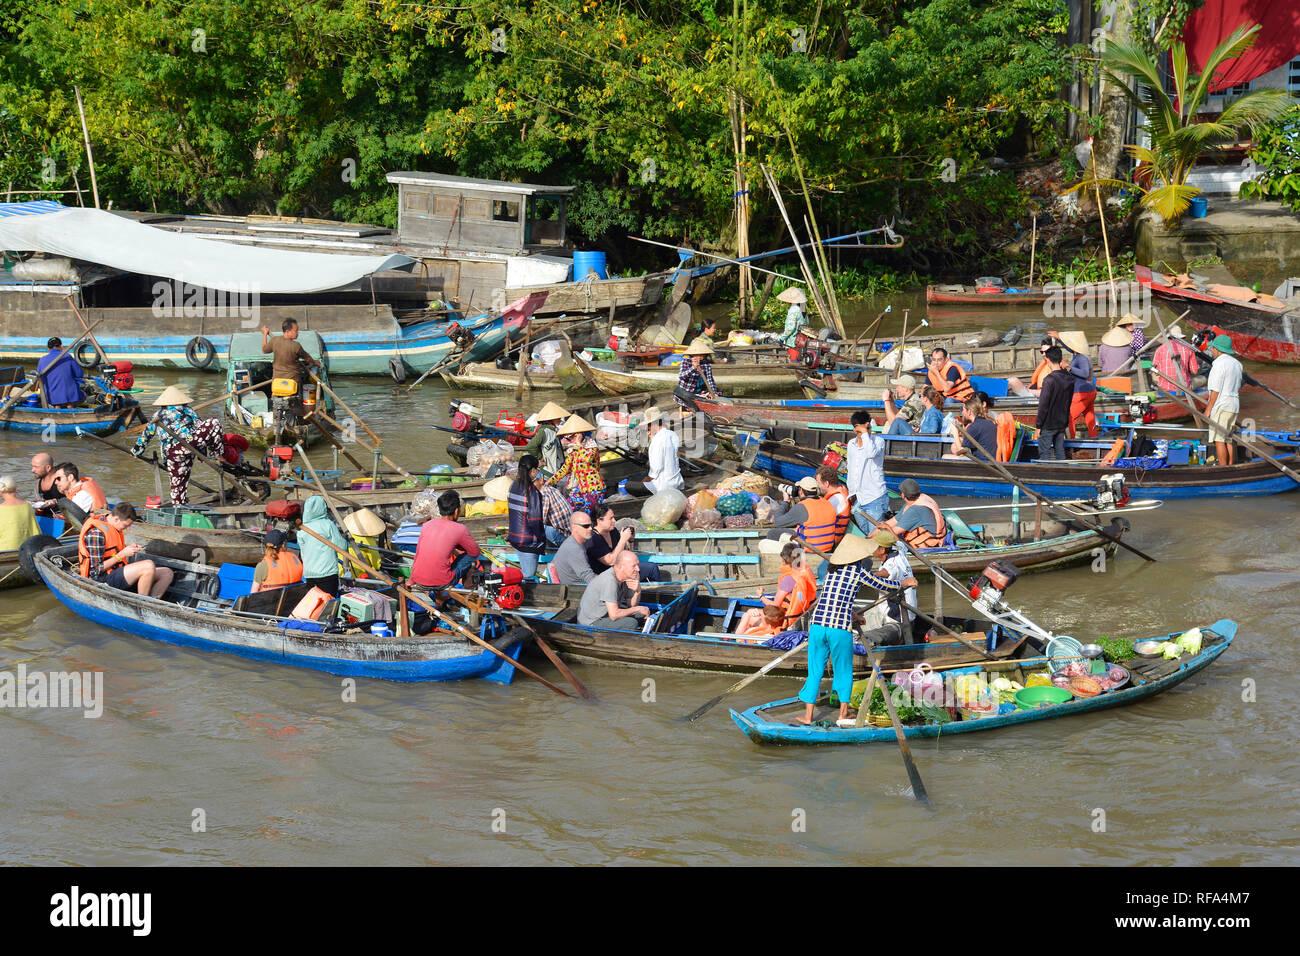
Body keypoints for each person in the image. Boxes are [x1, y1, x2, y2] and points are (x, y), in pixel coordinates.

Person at [797, 531, 903, 725]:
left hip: (818, 626)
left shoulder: (830, 570)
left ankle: (807, 716)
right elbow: (883, 584)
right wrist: (905, 582)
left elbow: (834, 598)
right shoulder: (857, 571)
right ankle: (843, 714)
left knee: (815, 670)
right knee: (843, 669)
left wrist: (854, 616)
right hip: (838, 629)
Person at [131, 386, 226, 505]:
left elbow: (146, 434)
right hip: (187, 445)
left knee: (177, 487)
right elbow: (199, 425)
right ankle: (217, 454)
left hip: (170, 453)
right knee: (214, 422)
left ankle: (178, 508)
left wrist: (136, 451)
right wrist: (202, 453)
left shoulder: (157, 414)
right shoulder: (186, 410)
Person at [77, 502, 174, 597]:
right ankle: (142, 604)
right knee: (148, 565)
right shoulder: (96, 534)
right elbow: (95, 570)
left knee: (167, 573)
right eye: (126, 525)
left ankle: (152, 601)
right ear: (116, 519)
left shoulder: (112, 525)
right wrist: (122, 554)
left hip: (116, 572)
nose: (128, 529)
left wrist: (129, 549)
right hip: (101, 580)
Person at [410, 490, 481, 590]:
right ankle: (470, 586)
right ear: (456, 511)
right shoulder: (460, 528)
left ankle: (440, 598)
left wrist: (412, 580)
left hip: (418, 580)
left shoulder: (427, 525)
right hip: (443, 582)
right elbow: (475, 552)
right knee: (470, 556)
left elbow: (418, 554)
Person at [577, 550, 650, 629]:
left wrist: (637, 591)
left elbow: (631, 605)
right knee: (631, 623)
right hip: (591, 622)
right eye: (634, 566)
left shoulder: (625, 577)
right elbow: (614, 615)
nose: (638, 569)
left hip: (607, 615)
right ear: (620, 567)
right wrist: (638, 608)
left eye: (638, 565)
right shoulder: (609, 580)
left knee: (641, 614)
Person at [587, 503, 660, 582]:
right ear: (599, 520)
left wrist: (630, 540)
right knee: (652, 568)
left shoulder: (612, 531)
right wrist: (623, 539)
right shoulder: (593, 538)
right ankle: (659, 592)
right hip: (606, 575)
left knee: (646, 570)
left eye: (613, 517)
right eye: (610, 518)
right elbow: (610, 561)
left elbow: (625, 553)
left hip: (620, 569)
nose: (614, 521)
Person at [754, 542, 818, 630]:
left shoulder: (788, 579)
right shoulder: (805, 572)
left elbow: (775, 605)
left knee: (748, 615)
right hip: (803, 615)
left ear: (783, 560)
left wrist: (760, 596)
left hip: (786, 621)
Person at [548, 415, 605, 511]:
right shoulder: (573, 450)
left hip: (593, 488)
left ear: (580, 434)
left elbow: (586, 459)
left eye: (573, 436)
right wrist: (551, 480)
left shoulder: (592, 447)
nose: (571, 440)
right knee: (569, 508)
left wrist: (578, 444)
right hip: (580, 489)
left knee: (590, 514)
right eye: (570, 438)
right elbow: (565, 468)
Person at [296, 495, 348, 597]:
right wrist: (345, 539)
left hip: (310, 575)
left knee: (314, 606)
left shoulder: (302, 529)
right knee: (328, 604)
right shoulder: (328, 525)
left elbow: (303, 552)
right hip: (327, 574)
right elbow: (342, 547)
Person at [624, 406, 683, 496]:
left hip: (663, 486)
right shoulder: (672, 434)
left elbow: (657, 467)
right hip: (677, 481)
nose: (648, 429)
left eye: (648, 426)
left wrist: (648, 478)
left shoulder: (657, 440)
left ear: (654, 425)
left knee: (628, 485)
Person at [844, 410, 887, 532]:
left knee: (876, 536)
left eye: (868, 427)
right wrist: (851, 493)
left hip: (875, 497)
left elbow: (870, 453)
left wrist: (864, 433)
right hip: (859, 498)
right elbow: (852, 469)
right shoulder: (851, 444)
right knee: (865, 534)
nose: (867, 430)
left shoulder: (878, 441)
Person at [1204, 334, 1243, 466]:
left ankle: (1223, 468)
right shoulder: (1237, 364)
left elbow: (1215, 390)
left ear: (1217, 349)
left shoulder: (1219, 364)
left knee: (1219, 439)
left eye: (1213, 349)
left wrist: (1208, 410)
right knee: (1228, 439)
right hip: (1234, 403)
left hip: (1222, 405)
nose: (1212, 351)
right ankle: (1230, 465)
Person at [505, 456, 546, 579]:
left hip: (515, 537)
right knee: (528, 576)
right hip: (528, 542)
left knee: (524, 573)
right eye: (537, 470)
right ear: (533, 471)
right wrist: (542, 538)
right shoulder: (532, 491)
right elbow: (534, 521)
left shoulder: (513, 485)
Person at [879, 478, 947, 550]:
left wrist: (875, 537)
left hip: (926, 546)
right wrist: (880, 526)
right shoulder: (919, 500)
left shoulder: (915, 509)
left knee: (888, 540)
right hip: (931, 537)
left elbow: (893, 532)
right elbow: (894, 520)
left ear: (903, 495)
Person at [1034, 346, 1074, 461]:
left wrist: (1038, 426)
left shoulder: (1049, 380)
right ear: (1060, 359)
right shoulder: (1070, 378)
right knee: (1060, 452)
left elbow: (1043, 405)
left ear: (1048, 360)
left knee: (1044, 453)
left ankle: (1046, 475)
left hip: (1048, 424)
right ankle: (1062, 473)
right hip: (1062, 422)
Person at [261, 318, 321, 388]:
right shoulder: (296, 346)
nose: (297, 333)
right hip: (292, 383)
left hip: (277, 382)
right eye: (295, 331)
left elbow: (264, 350)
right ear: (287, 331)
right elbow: (307, 359)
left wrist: (265, 334)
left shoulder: (274, 340)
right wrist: (315, 362)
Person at [1060, 330, 1098, 438]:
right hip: (1089, 391)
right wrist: (1059, 338)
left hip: (1082, 393)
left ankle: (1071, 440)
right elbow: (1068, 347)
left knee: (1070, 417)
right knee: (1089, 416)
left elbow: (1085, 373)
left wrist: (1069, 367)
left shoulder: (1081, 358)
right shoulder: (1077, 354)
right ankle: (1094, 437)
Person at [522, 401, 570, 477]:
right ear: (551, 419)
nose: (560, 420)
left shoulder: (554, 430)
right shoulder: (544, 431)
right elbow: (530, 446)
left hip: (557, 468)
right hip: (548, 470)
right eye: (558, 418)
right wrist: (541, 457)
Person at [944, 396, 998, 461]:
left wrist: (955, 433)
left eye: (963, 410)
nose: (962, 413)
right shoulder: (989, 422)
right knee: (954, 446)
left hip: (983, 462)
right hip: (992, 459)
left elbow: (962, 452)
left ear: (969, 412)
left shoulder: (974, 426)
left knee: (945, 456)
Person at [35, 337, 84, 407]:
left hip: (52, 398)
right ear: (61, 346)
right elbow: (79, 374)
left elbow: (40, 379)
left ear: (48, 348)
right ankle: (70, 407)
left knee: (57, 401)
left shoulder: (42, 360)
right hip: (71, 397)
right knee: (82, 395)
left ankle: (57, 409)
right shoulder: (67, 357)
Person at [551, 510, 596, 585]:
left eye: (591, 525)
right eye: (586, 526)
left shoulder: (574, 542)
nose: (590, 528)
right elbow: (589, 577)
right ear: (574, 527)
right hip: (577, 591)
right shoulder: (574, 548)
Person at [1152, 324, 1201, 392]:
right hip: (1184, 389)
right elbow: (1194, 371)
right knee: (1202, 379)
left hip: (1164, 389)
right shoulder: (1189, 349)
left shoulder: (1159, 349)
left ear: (1168, 337)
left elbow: (1156, 372)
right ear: (1181, 337)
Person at [675, 339, 719, 409]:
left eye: (701, 355)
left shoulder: (706, 364)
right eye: (697, 354)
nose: (699, 357)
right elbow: (682, 376)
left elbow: (710, 380)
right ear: (692, 354)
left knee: (710, 400)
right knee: (686, 408)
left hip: (699, 392)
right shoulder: (686, 362)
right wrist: (693, 368)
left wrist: (714, 392)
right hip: (686, 393)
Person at [0, 475, 41, 551]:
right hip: (24, 549)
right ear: (16, 489)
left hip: (3, 550)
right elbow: (35, 531)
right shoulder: (28, 506)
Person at [538, 476, 573, 548]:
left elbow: (540, 520)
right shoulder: (550, 488)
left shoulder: (543, 493)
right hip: (569, 532)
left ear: (541, 481)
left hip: (564, 536)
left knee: (535, 525)